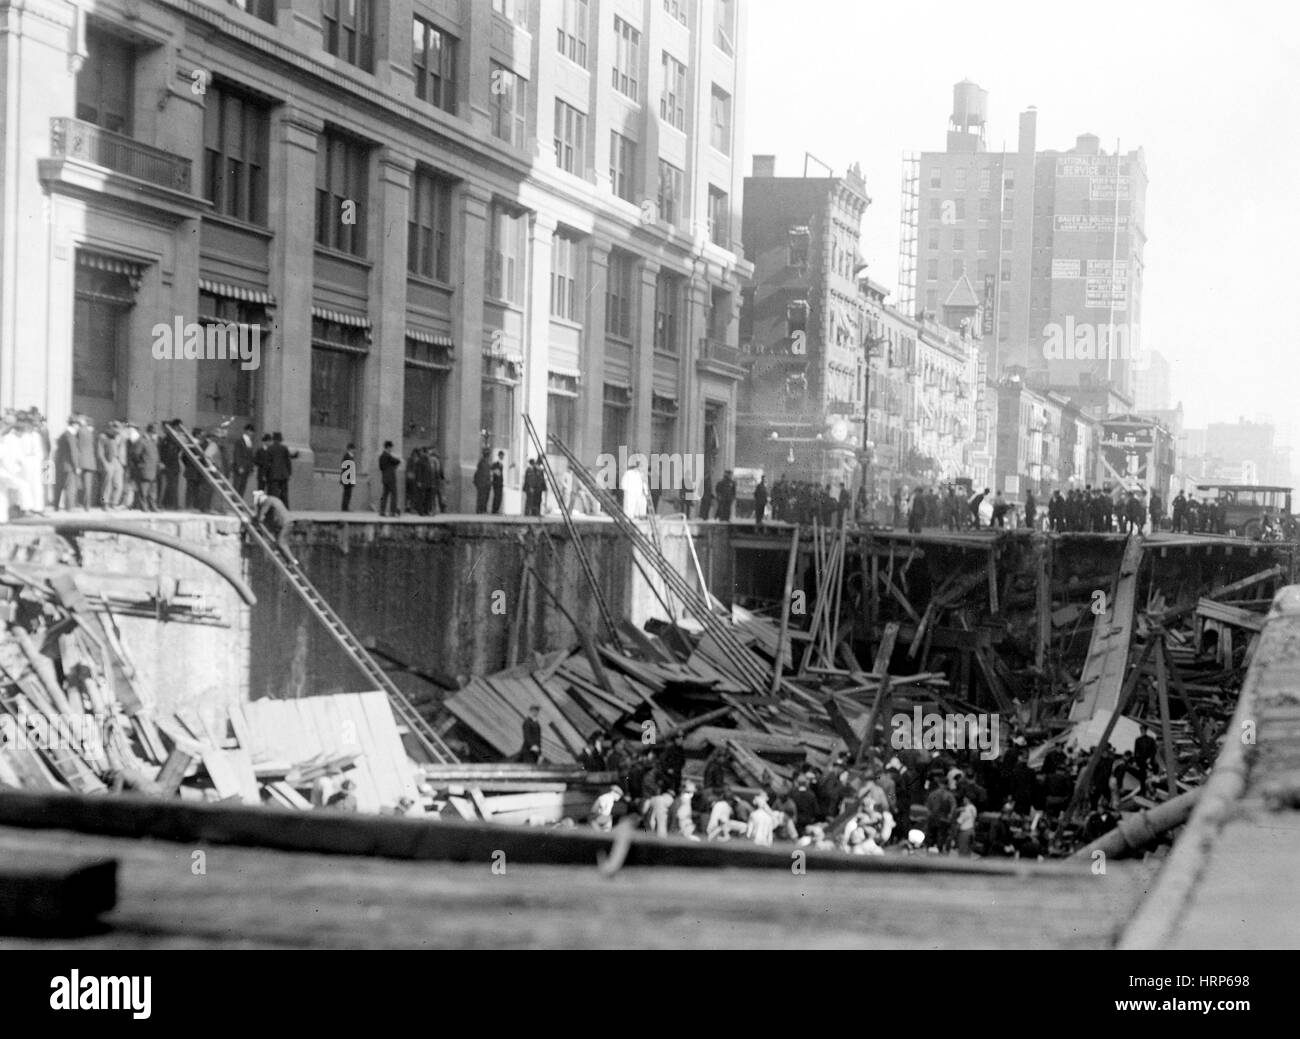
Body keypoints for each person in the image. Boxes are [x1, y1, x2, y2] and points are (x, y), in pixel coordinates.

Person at [252, 489, 295, 563]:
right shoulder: (273, 499)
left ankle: (292, 560)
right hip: (287, 522)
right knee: (278, 540)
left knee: (281, 543)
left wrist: (253, 520)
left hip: (284, 523)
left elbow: (261, 517)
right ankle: (287, 559)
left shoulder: (267, 501)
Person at [130, 423, 161, 512]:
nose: (155, 435)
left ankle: (153, 506)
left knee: (153, 491)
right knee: (143, 490)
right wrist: (141, 464)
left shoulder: (152, 442)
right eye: (154, 433)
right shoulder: (141, 441)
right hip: (144, 469)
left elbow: (156, 455)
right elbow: (135, 455)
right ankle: (144, 507)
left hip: (153, 470)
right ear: (150, 432)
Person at [55, 416, 82, 510]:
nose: (78, 427)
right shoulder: (70, 436)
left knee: (60, 486)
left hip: (62, 465)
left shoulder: (63, 435)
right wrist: (77, 466)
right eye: (78, 425)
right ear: (74, 424)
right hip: (70, 466)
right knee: (71, 487)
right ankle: (69, 507)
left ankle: (56, 506)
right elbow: (73, 452)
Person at [265, 432, 295, 506]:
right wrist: (289, 473)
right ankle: (285, 510)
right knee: (284, 494)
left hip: (273, 475)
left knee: (273, 494)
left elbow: (267, 463)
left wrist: (265, 474)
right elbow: (288, 462)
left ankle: (274, 511)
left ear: (273, 439)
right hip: (284, 475)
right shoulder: (284, 448)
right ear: (280, 440)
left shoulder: (270, 448)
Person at [232, 424, 256, 500]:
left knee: (243, 486)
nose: (252, 433)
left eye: (252, 432)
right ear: (247, 431)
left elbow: (251, 457)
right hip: (241, 467)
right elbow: (237, 454)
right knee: (237, 485)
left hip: (247, 467)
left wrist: (251, 468)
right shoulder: (240, 441)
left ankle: (239, 502)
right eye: (250, 431)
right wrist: (239, 466)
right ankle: (235, 502)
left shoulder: (250, 442)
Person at [378, 441, 400, 516]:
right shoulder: (388, 456)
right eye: (391, 448)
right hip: (391, 478)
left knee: (384, 495)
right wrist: (394, 466)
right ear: (388, 447)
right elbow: (397, 461)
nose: (391, 449)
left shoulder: (381, 456)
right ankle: (392, 511)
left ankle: (382, 511)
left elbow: (381, 467)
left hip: (384, 478)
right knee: (394, 494)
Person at [473, 448, 492, 514]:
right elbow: (484, 474)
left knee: (485, 497)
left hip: (486, 483)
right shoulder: (482, 463)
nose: (488, 456)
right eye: (487, 454)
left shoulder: (486, 463)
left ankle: (483, 509)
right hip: (483, 484)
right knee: (482, 497)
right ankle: (480, 510)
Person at [339, 443, 356, 511]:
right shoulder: (347, 456)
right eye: (353, 449)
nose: (354, 450)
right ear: (350, 449)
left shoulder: (350, 456)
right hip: (347, 477)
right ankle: (345, 508)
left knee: (348, 494)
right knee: (347, 493)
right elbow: (347, 467)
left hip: (348, 477)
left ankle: (346, 507)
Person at [490, 450, 505, 514]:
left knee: (499, 497)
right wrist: (495, 472)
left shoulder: (501, 464)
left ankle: (497, 509)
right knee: (497, 496)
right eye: (501, 455)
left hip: (500, 483)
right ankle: (494, 510)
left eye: (503, 455)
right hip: (496, 483)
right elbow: (492, 470)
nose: (502, 456)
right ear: (499, 455)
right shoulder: (495, 464)